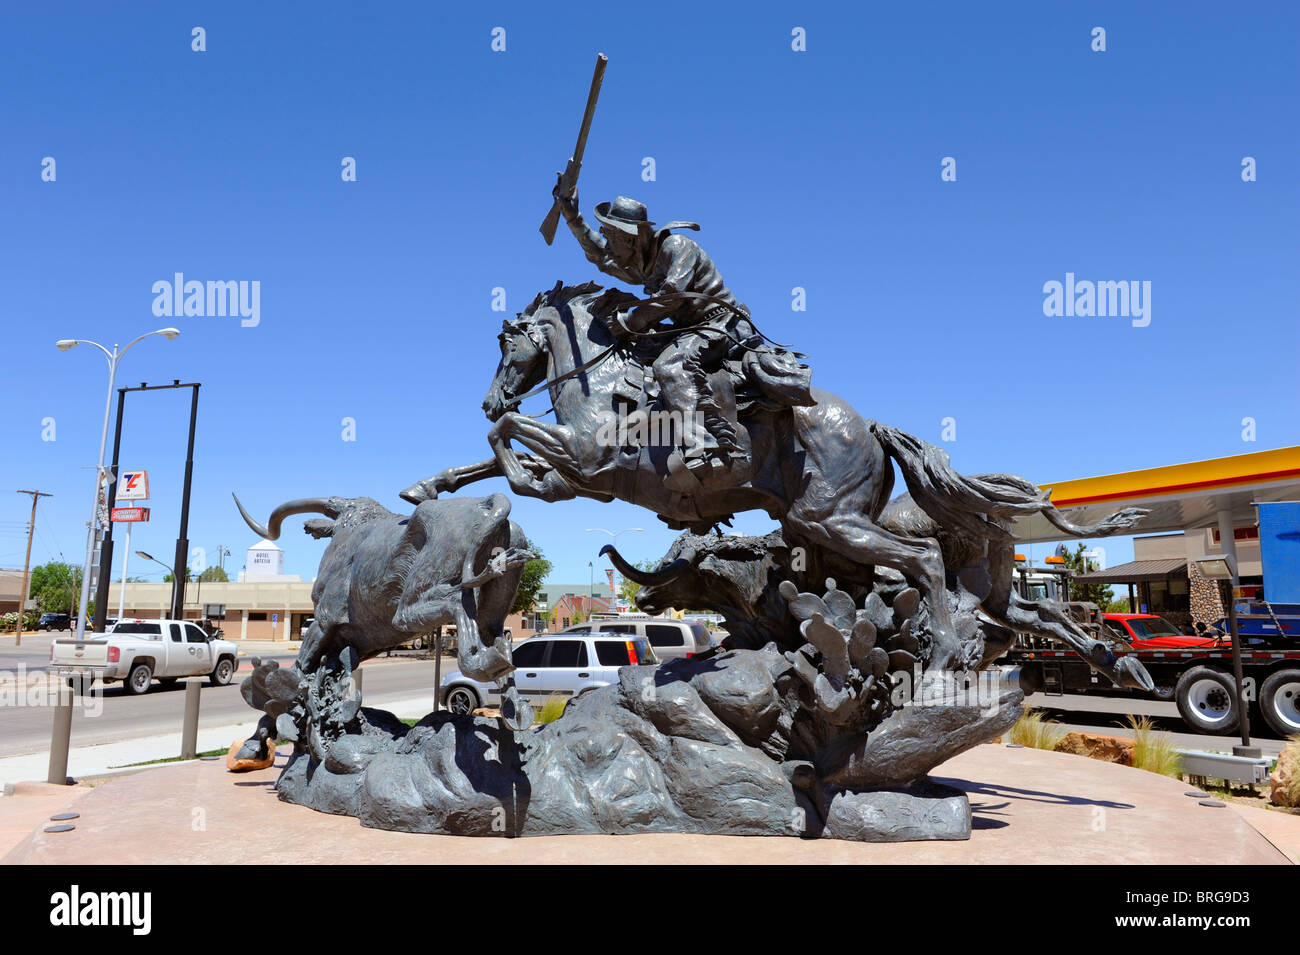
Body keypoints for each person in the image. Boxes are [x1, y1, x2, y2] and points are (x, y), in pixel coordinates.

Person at [556, 190, 752, 473]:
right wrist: (573, 219)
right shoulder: (642, 263)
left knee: (670, 366)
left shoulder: (677, 247)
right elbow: (602, 256)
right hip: (690, 329)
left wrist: (629, 322)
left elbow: (670, 296)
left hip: (721, 325)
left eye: (612, 238)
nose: (609, 245)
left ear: (630, 238)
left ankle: (704, 446)